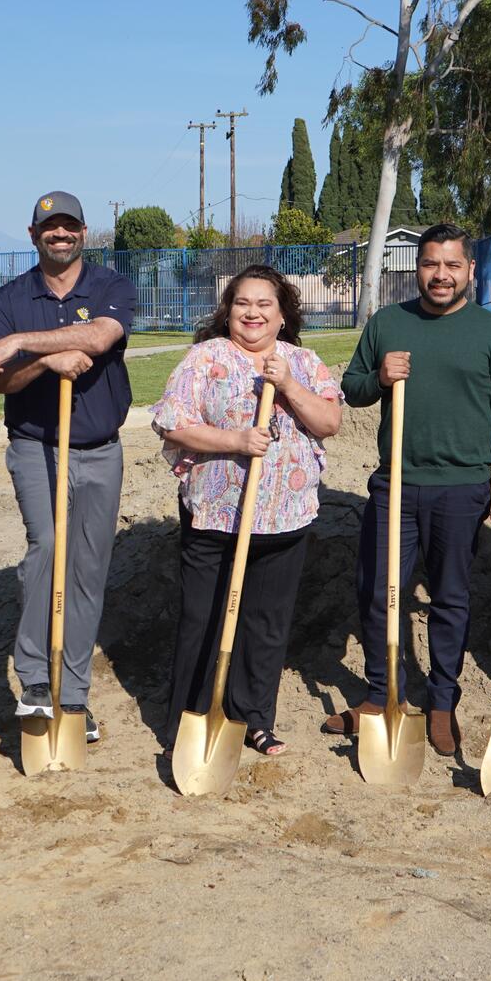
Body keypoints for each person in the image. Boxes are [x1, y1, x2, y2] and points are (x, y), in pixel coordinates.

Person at [334, 224, 491, 757]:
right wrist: (379, 377)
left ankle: (442, 700)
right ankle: (381, 694)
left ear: (469, 270)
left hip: (462, 489)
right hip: (395, 484)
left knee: (450, 596)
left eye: (452, 265)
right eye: (430, 264)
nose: (440, 275)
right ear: (416, 268)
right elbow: (351, 389)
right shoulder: (387, 323)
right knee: (378, 591)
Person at [153, 266, 342, 756]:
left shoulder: (303, 362)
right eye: (242, 303)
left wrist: (289, 385)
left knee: (266, 624)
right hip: (217, 517)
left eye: (264, 305)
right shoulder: (205, 358)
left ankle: (253, 718)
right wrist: (235, 441)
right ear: (228, 311)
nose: (252, 313)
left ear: (282, 316)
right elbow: (172, 423)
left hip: (284, 518)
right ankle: (189, 721)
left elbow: (329, 421)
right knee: (203, 619)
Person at [0, 191, 136, 743]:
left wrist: (23, 342)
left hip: (100, 449)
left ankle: (73, 694)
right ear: (34, 234)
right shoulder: (9, 298)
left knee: (88, 571)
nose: (60, 234)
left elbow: (100, 336)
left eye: (69, 226)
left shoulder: (111, 286)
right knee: (46, 548)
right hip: (36, 446)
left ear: (83, 233)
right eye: (50, 227)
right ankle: (34, 683)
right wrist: (47, 362)